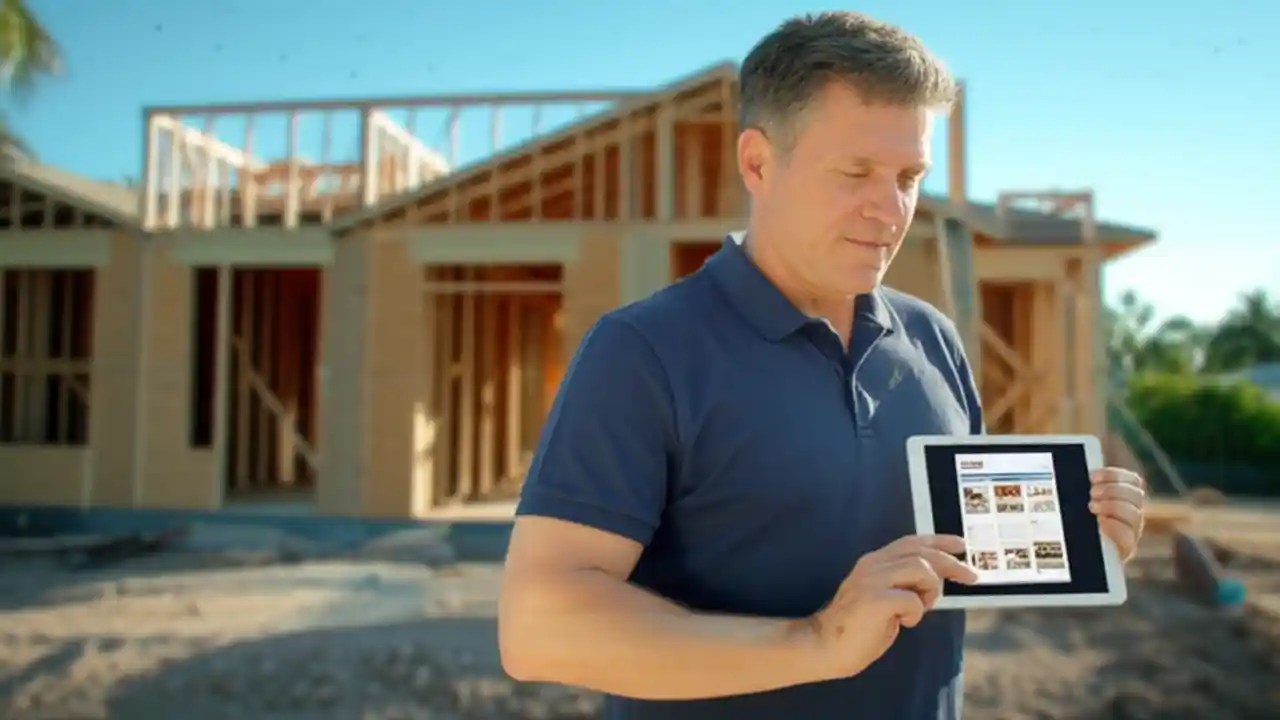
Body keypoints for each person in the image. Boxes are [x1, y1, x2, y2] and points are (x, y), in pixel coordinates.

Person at [497, 11, 1147, 719]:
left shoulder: (932, 340)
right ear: (757, 163)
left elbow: (956, 560)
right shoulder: (643, 352)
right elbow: (540, 630)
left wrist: (1075, 544)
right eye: (855, 172)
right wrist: (815, 643)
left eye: (909, 176)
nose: (890, 209)